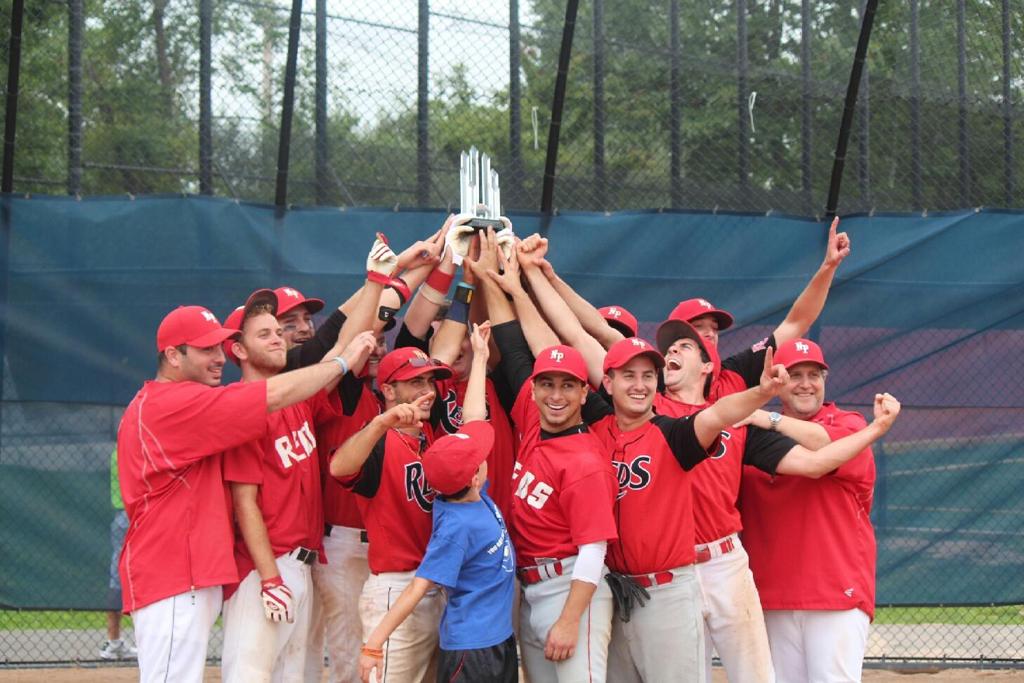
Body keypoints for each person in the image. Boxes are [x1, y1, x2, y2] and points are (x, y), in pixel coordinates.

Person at [117, 291, 371, 683]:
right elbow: (276, 393)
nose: (218, 357)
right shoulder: (169, 403)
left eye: (219, 346)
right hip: (170, 574)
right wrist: (341, 361)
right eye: (206, 349)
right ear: (172, 355)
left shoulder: (191, 401)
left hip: (195, 573)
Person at [588, 337, 792, 683]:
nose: (639, 385)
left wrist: (761, 393)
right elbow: (577, 338)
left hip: (690, 575)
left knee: (753, 674)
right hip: (621, 590)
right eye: (629, 376)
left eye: (648, 376)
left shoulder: (672, 433)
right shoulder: (597, 424)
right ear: (608, 382)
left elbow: (717, 415)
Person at [218, 290, 377, 682]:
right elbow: (245, 503)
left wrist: (379, 281)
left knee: (292, 675)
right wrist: (270, 579)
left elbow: (341, 350)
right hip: (264, 568)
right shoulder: (241, 406)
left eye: (278, 331)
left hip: (302, 566)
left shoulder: (296, 399)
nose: (278, 338)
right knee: (251, 674)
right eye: (264, 334)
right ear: (237, 350)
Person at [359, 322, 519, 683]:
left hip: (494, 640)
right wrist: (374, 643)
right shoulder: (457, 525)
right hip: (469, 647)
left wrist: (479, 358)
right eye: (477, 458)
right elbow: (418, 586)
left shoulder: (468, 491)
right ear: (473, 475)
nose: (482, 457)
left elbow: (474, 417)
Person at [739, 338, 880, 682]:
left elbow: (822, 445)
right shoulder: (751, 436)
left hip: (834, 593)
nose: (805, 383)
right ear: (777, 381)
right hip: (770, 594)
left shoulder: (848, 424)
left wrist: (764, 417)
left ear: (825, 379)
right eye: (795, 375)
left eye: (813, 374)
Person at [330, 345, 454, 683]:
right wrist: (381, 422)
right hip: (395, 588)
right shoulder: (378, 442)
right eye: (415, 382)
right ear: (387, 390)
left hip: (437, 586)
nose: (426, 391)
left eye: (429, 381)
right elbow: (339, 468)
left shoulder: (431, 437)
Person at [99, 446, 136, 661]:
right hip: (133, 514)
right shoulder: (128, 447)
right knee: (125, 576)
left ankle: (114, 642)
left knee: (118, 575)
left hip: (128, 514)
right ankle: (115, 643)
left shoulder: (121, 446)